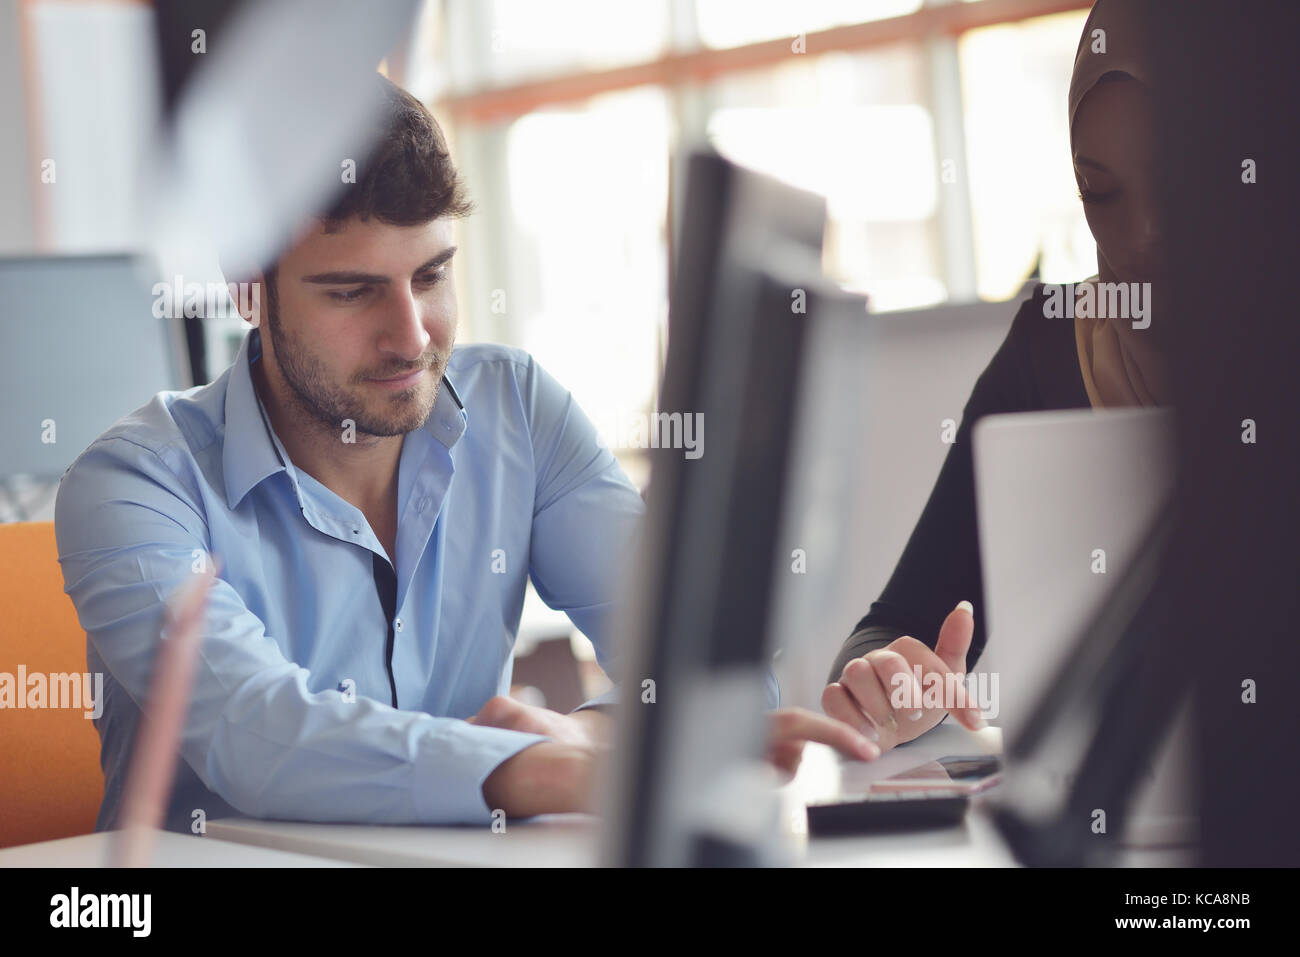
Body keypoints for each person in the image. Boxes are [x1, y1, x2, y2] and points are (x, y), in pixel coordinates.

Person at [56, 74, 876, 835]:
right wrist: (570, 771)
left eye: (433, 274)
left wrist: (578, 735)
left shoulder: (518, 412)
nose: (411, 335)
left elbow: (708, 677)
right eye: (351, 290)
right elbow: (262, 736)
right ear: (247, 285)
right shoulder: (132, 485)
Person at [822, 0, 1170, 752]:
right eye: (1099, 193)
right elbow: (894, 627)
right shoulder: (1054, 349)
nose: (1137, 241)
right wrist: (890, 683)